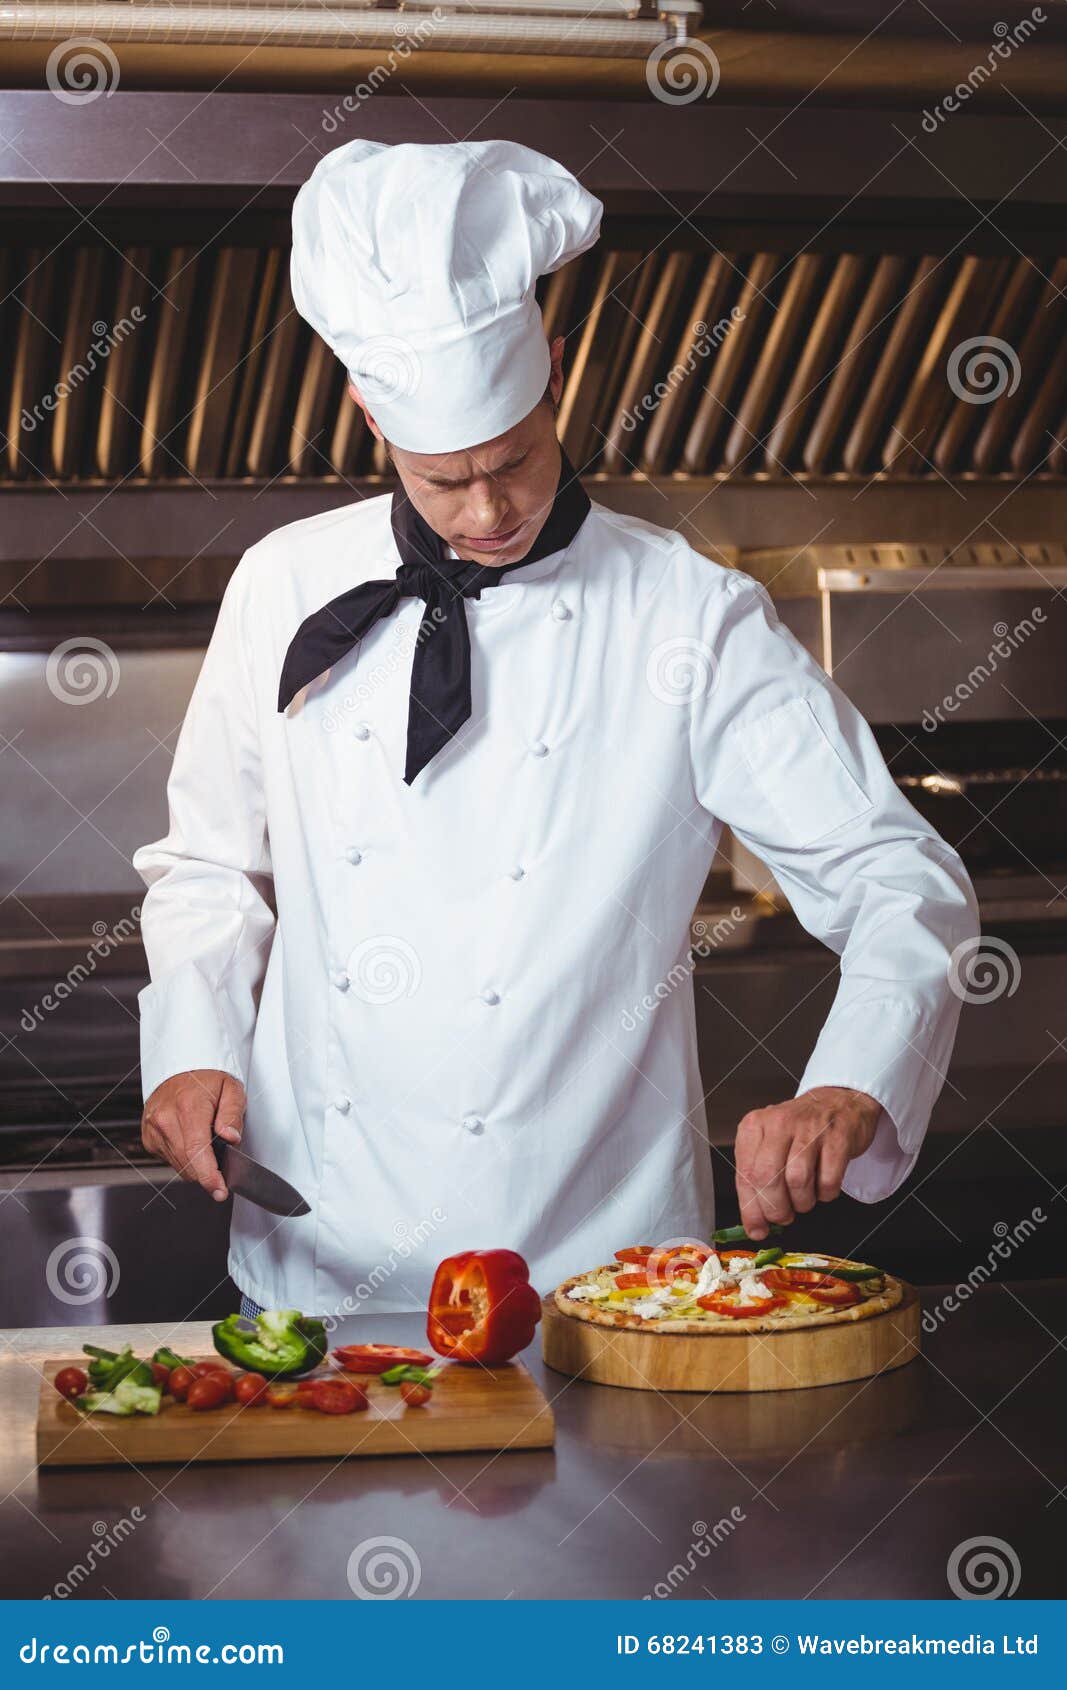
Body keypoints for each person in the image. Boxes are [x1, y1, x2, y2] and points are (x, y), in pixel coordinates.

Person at [134, 138, 979, 1316]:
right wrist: (189, 1040)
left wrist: (851, 1082)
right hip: (321, 1262)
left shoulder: (692, 613)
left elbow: (895, 872)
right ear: (368, 413)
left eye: (516, 460)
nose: (487, 511)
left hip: (606, 1279)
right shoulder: (281, 584)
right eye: (443, 480)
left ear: (559, 375)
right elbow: (208, 865)